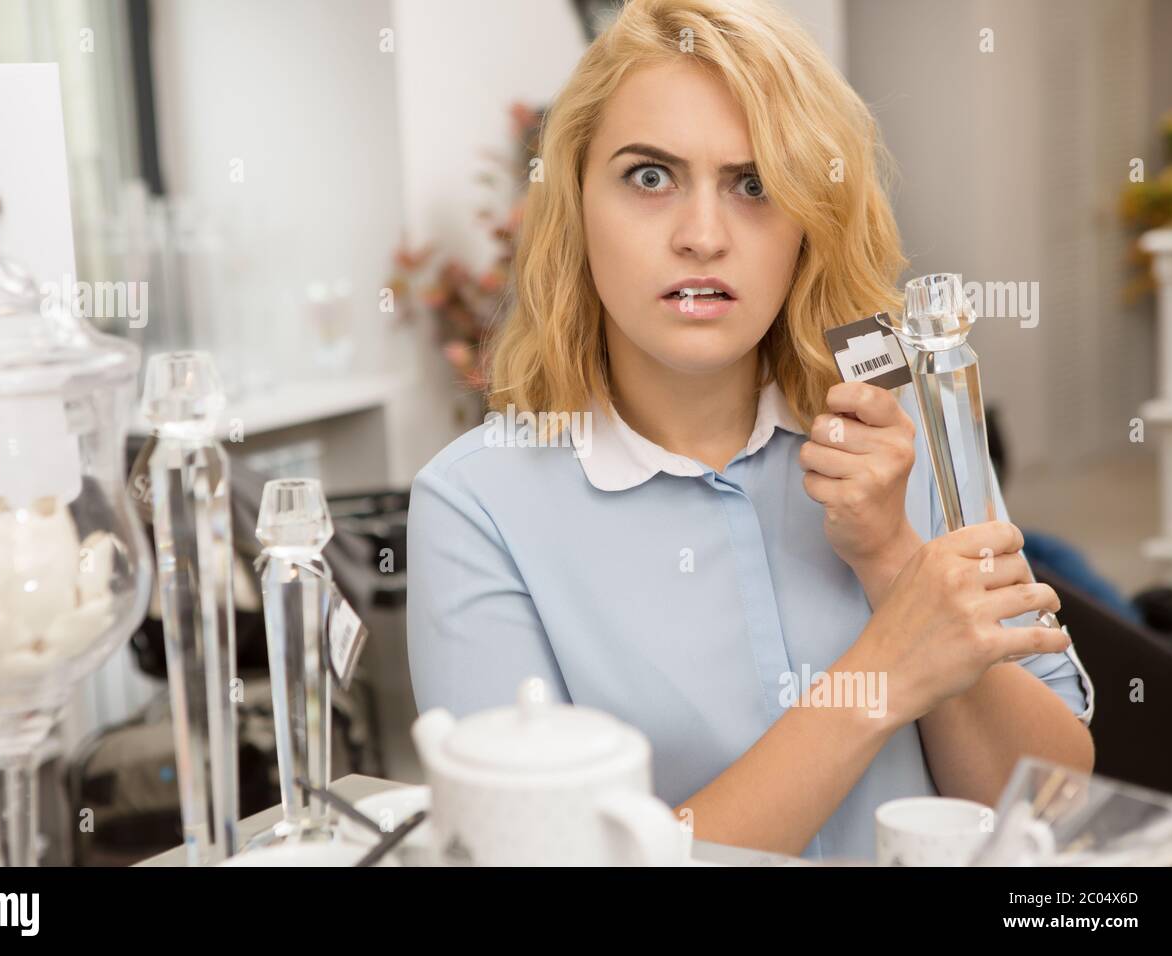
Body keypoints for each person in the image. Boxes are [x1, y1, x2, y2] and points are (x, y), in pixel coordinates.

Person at [405, 0, 1095, 862]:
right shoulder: (475, 505)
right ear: (574, 207)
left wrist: (889, 558)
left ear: (811, 221)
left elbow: (1055, 806)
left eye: (755, 183)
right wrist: (884, 669)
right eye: (649, 177)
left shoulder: (906, 428)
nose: (702, 237)